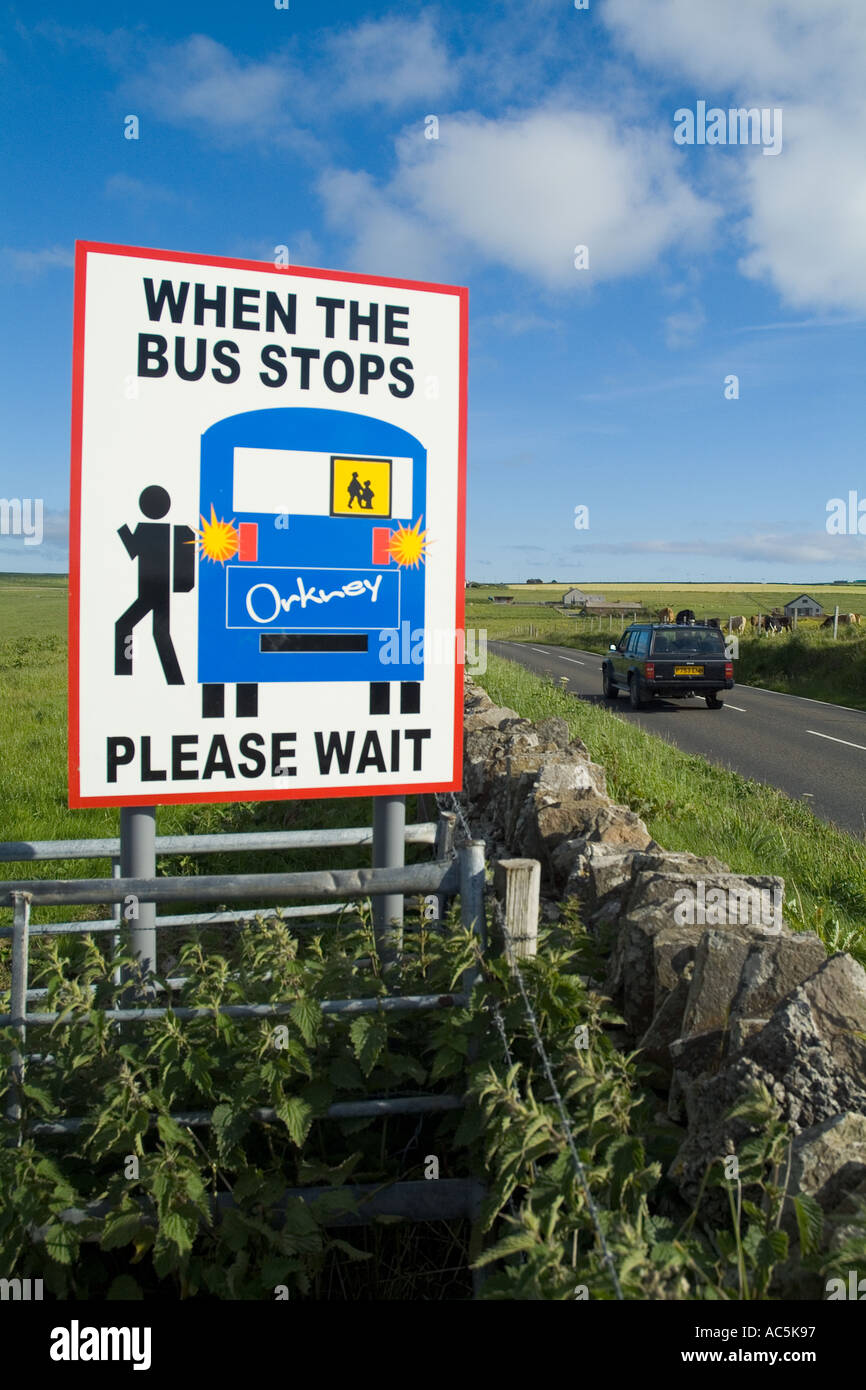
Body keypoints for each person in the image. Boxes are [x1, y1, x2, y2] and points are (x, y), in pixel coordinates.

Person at [114, 485, 192, 685]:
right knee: (160, 633)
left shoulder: (145, 529)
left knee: (126, 625)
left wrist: (119, 526)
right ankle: (174, 678)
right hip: (161, 590)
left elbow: (132, 550)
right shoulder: (173, 530)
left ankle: (124, 675)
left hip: (149, 590)